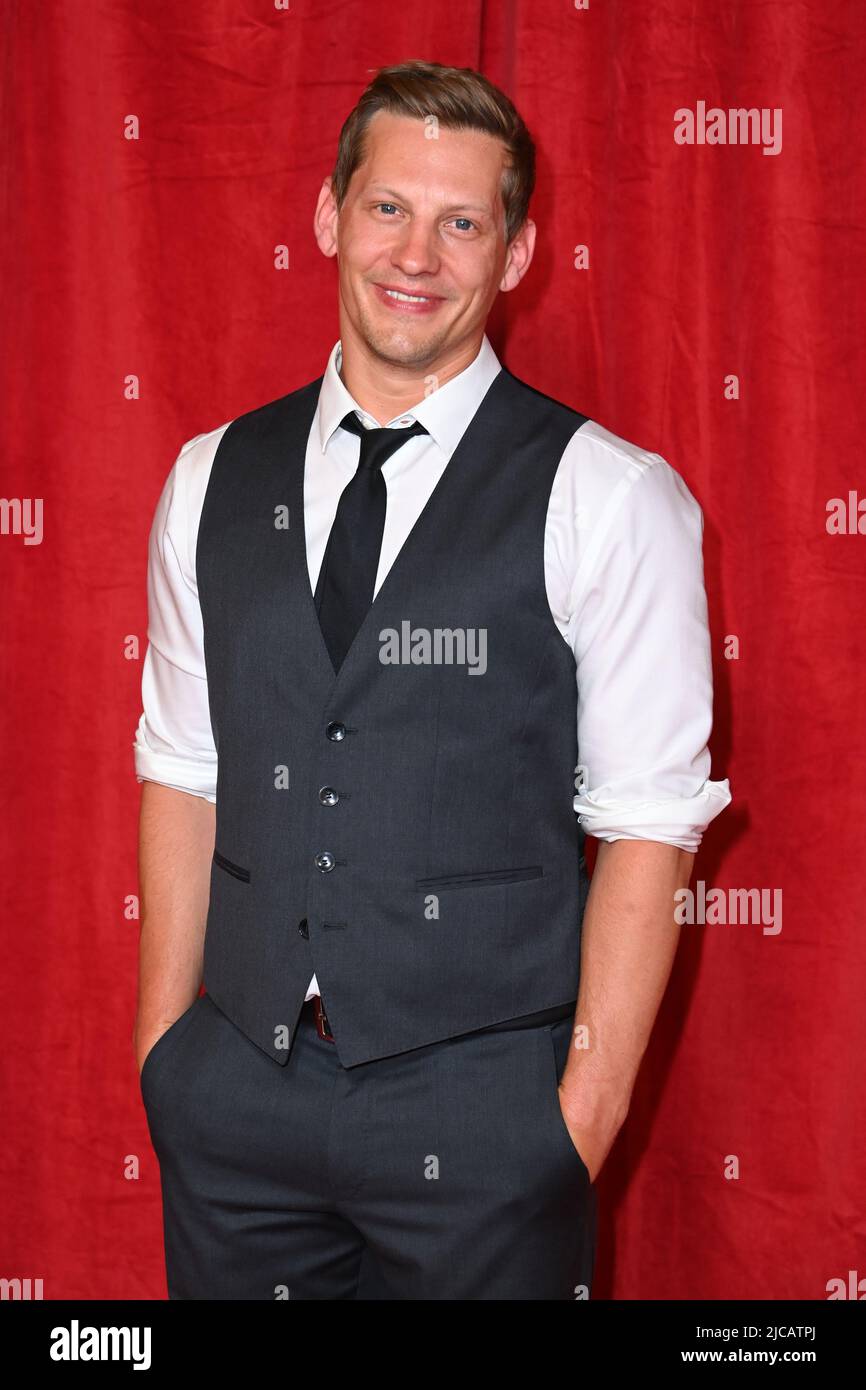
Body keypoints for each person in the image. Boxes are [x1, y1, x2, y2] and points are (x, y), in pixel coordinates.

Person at [132, 58, 731, 1301]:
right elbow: (184, 770)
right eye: (388, 208)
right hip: (234, 1102)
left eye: (463, 221)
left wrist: (575, 1120)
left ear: (514, 255)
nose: (418, 253)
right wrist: (166, 1057)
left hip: (486, 1127)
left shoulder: (609, 497)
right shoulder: (207, 478)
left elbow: (645, 827)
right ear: (328, 218)